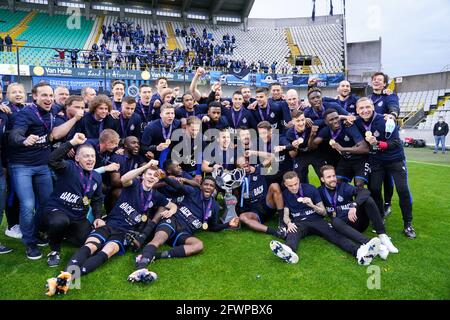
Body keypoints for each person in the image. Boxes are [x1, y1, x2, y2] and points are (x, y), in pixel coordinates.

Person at [45, 160, 176, 296]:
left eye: (155, 176)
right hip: (109, 225)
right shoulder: (133, 184)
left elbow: (173, 206)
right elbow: (124, 178)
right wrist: (147, 165)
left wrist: (171, 211)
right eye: (149, 174)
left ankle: (65, 280)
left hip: (124, 233)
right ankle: (66, 277)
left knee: (108, 251)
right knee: (91, 246)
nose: (151, 177)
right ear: (143, 175)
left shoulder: (156, 195)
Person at [127, 176, 239, 284]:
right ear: (201, 186)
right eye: (206, 184)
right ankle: (140, 267)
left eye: (211, 185)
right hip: (173, 221)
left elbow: (213, 227)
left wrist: (228, 225)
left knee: (199, 245)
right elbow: (178, 187)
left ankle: (156, 255)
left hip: (184, 233)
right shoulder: (192, 192)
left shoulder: (214, 206)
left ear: (214, 189)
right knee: (158, 240)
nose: (208, 187)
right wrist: (165, 177)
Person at [269, 171, 381, 266]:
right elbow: (286, 214)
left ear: (299, 180)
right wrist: (288, 223)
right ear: (285, 185)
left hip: (316, 220)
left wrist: (312, 204)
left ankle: (359, 252)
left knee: (335, 236)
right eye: (290, 185)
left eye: (296, 184)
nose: (294, 187)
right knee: (292, 232)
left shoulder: (311, 189)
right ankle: (289, 251)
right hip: (299, 222)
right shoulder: (285, 194)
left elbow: (323, 212)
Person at [354, 97, 416, 238]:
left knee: (402, 190)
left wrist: (378, 143)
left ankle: (408, 224)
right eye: (361, 108)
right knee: (375, 189)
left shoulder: (386, 120)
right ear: (357, 111)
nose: (365, 110)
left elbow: (395, 142)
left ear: (373, 107)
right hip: (376, 161)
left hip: (395, 159)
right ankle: (380, 217)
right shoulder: (357, 122)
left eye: (367, 107)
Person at [42, 133, 104, 267]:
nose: (90, 159)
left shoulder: (97, 177)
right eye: (86, 156)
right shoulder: (69, 167)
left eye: (92, 156)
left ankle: (62, 233)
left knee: (84, 239)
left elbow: (97, 199)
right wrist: (72, 143)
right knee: (59, 221)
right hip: (58, 210)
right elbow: (52, 160)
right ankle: (54, 250)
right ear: (77, 158)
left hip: (78, 216)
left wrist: (98, 217)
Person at [8, 83, 55, 259]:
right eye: (44, 95)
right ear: (34, 97)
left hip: (43, 165)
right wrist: (23, 140)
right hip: (22, 165)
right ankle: (30, 243)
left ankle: (36, 232)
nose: (48, 99)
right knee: (27, 204)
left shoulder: (52, 110)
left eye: (50, 95)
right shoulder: (26, 113)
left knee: (46, 203)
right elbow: (15, 134)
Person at [317, 165, 398, 259]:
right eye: (329, 177)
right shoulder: (319, 191)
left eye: (334, 176)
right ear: (322, 179)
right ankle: (374, 244)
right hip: (343, 225)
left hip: (358, 221)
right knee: (335, 221)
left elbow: (365, 191)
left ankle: (382, 235)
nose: (333, 179)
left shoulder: (343, 186)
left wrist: (354, 205)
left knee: (368, 200)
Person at [310, 108, 370, 188]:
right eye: (331, 119)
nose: (335, 121)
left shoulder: (348, 126)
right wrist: (312, 135)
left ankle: (359, 200)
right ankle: (345, 200)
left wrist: (342, 149)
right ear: (326, 122)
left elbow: (365, 148)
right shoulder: (326, 131)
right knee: (337, 181)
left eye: (336, 118)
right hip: (346, 160)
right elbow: (313, 146)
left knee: (359, 183)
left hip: (360, 159)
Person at [236, 156, 286, 238]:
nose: (245, 163)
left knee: (275, 186)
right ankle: (276, 232)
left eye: (245, 161)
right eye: (241, 163)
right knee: (242, 217)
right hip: (254, 212)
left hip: (267, 204)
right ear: (238, 168)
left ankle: (282, 221)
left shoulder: (258, 169)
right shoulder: (237, 178)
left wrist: (254, 153)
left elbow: (271, 157)